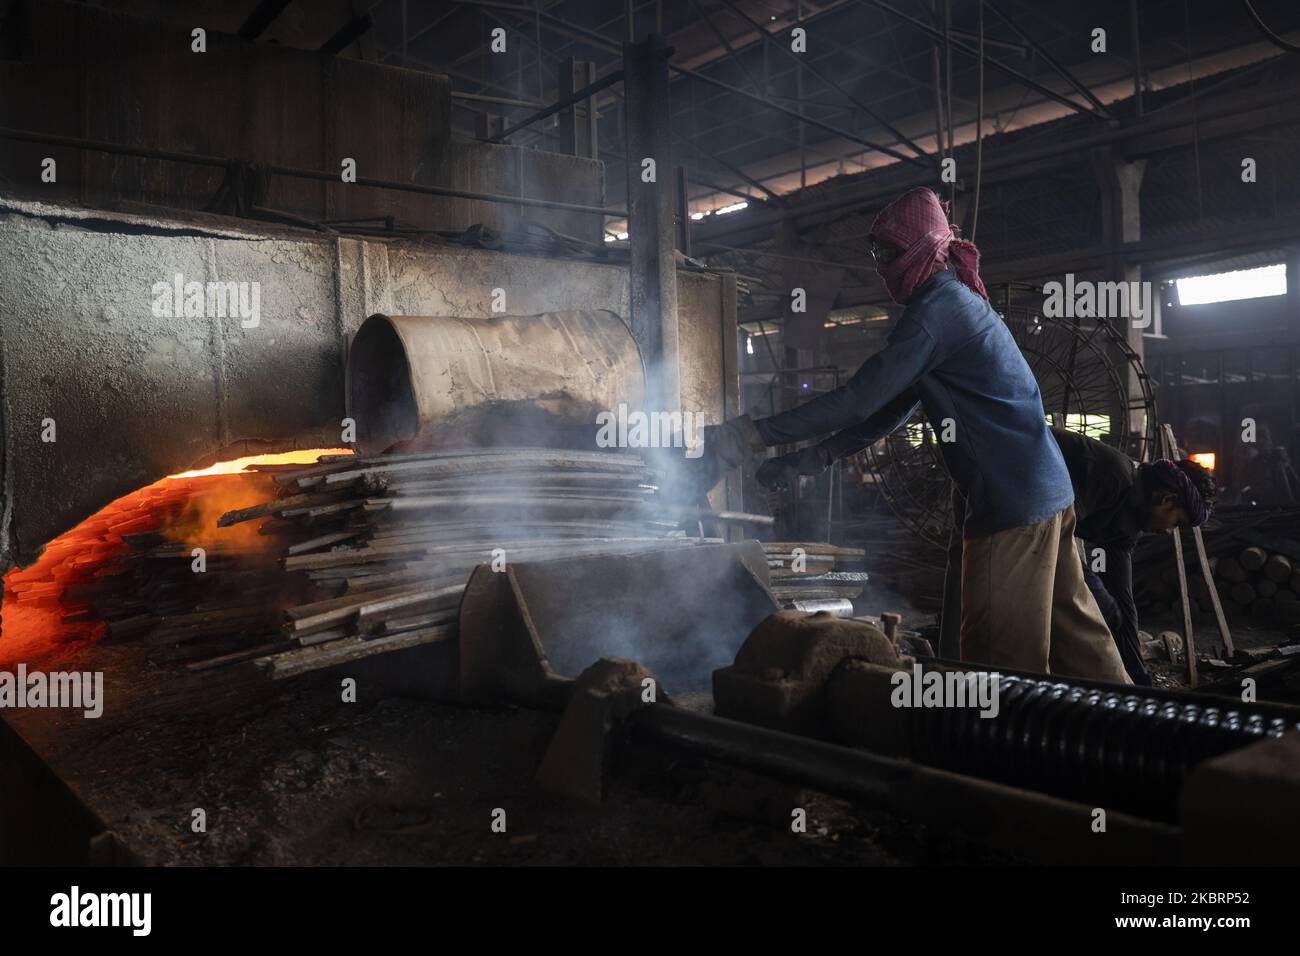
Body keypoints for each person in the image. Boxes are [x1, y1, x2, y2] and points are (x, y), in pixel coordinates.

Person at [695, 186, 1130, 683]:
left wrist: (747, 435)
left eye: (891, 253)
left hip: (1012, 507)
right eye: (877, 254)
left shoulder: (936, 312)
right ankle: (1145, 735)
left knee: (998, 666)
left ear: (924, 247)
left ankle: (992, 760)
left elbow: (860, 398)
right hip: (1050, 496)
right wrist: (810, 459)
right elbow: (889, 409)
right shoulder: (955, 304)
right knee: (1081, 642)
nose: (883, 265)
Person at [768, 423, 1217, 684]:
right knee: (994, 591)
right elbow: (1061, 543)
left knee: (1106, 610)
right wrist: (1098, 604)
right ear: (1165, 501)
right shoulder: (1113, 475)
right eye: (1176, 523)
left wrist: (1140, 680)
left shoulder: (1132, 518)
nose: (1168, 532)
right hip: (1003, 488)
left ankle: (984, 670)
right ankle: (972, 677)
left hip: (1030, 511)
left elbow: (1123, 602)